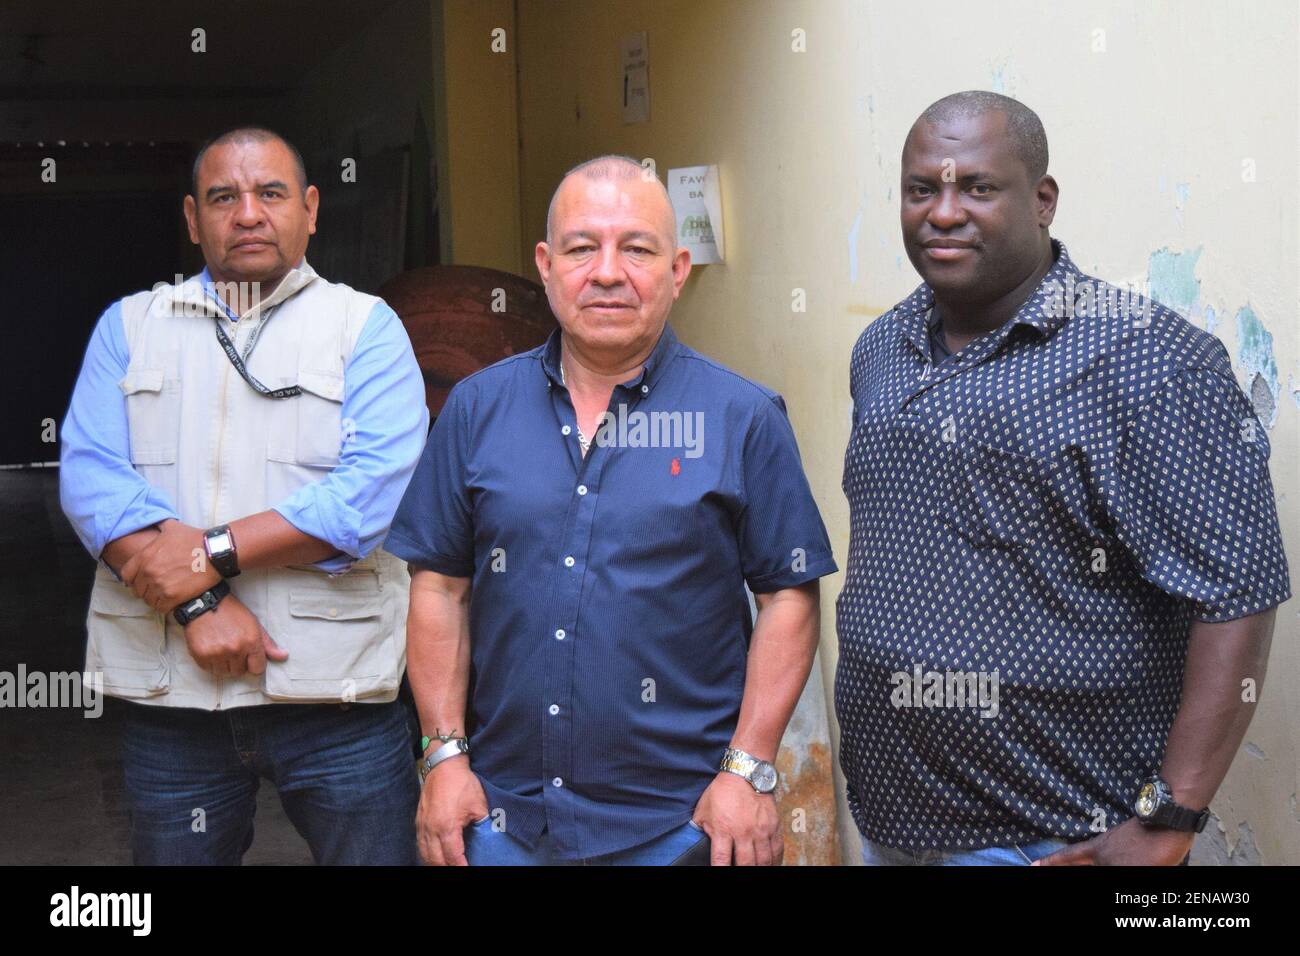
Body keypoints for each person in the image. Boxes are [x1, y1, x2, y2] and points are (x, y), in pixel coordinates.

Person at [836, 91, 1290, 866]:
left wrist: (1170, 816)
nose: (943, 213)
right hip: (889, 817)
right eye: (922, 190)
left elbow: (1236, 596)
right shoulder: (883, 346)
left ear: (1041, 200)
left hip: (1054, 838)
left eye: (977, 187)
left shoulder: (1149, 361)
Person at [387, 155, 836, 866]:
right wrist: (442, 755)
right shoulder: (477, 410)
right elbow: (439, 586)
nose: (605, 272)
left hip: (683, 826)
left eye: (636, 248)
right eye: (580, 247)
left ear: (678, 269)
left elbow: (789, 594)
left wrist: (748, 770)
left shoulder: (741, 417)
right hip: (506, 822)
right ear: (544, 263)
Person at [59, 126, 429, 864]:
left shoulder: (366, 330)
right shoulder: (130, 327)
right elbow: (92, 478)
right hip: (175, 699)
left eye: (271, 193)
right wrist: (198, 603)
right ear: (194, 220)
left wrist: (207, 556)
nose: (249, 213)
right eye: (223, 197)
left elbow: (363, 498)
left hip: (338, 696)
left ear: (311, 209)